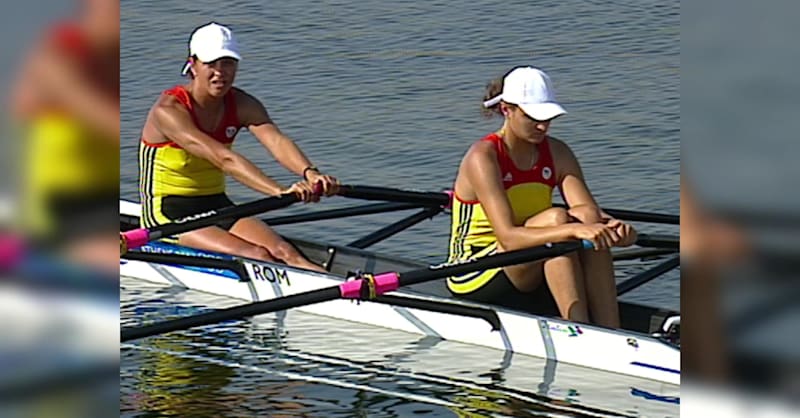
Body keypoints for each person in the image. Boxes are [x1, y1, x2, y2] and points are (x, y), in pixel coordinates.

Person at [138, 22, 338, 272]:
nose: (220, 73)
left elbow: (276, 141)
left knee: (284, 252)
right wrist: (279, 191)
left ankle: (355, 298)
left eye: (228, 63)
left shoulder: (242, 103)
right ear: (194, 64)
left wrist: (310, 173)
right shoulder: (169, 111)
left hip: (216, 203)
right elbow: (223, 159)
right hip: (168, 213)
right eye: (212, 64)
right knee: (256, 254)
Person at [446, 66, 637, 327]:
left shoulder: (557, 152)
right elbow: (509, 238)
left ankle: (610, 328)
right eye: (532, 116)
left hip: (530, 260)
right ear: (507, 109)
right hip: (474, 271)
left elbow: (588, 212)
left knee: (586, 217)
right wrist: (571, 232)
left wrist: (616, 229)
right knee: (559, 221)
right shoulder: (484, 157)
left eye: (548, 117)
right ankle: (580, 329)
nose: (542, 125)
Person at [8, 0, 120, 274]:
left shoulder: (114, 57)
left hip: (103, 200)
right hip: (56, 210)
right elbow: (105, 120)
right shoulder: (55, 60)